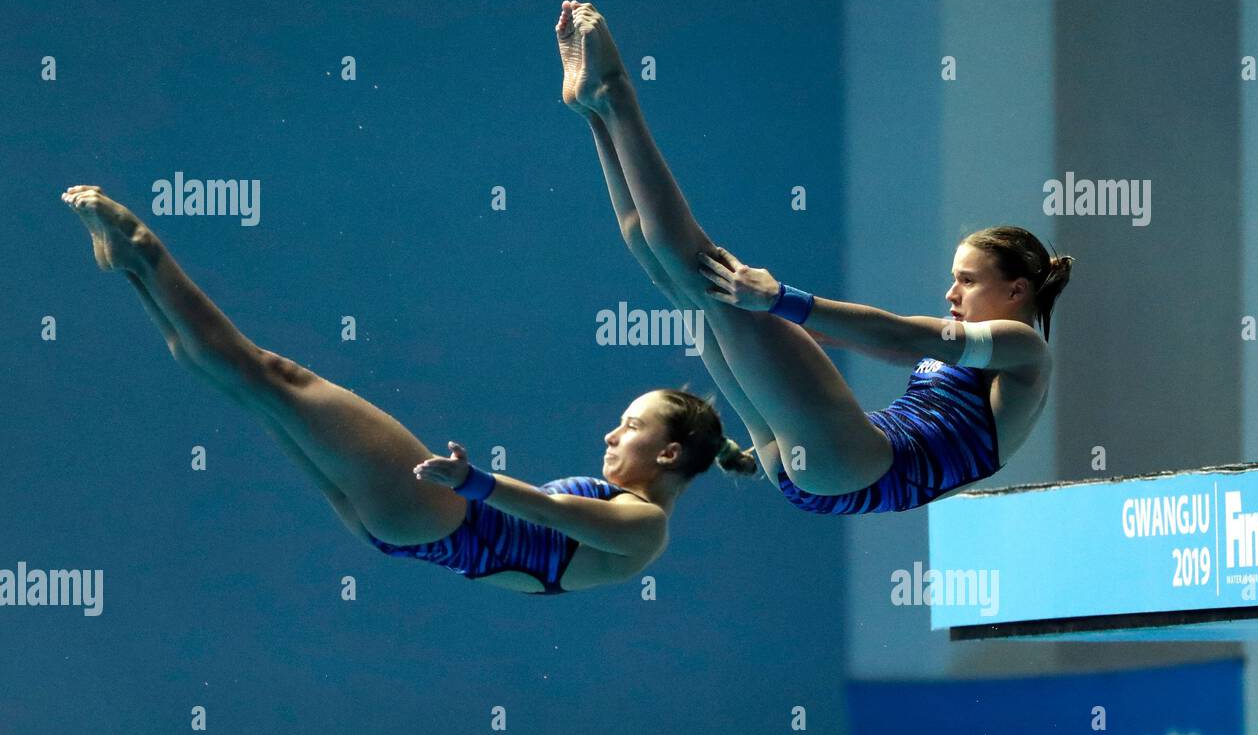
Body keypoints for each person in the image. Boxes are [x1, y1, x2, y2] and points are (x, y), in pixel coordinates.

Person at [62, 185, 754, 594]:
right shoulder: (638, 525)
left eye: (631, 426)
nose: (611, 433)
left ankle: (149, 253)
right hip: (414, 530)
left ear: (669, 455)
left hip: (446, 518)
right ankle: (134, 271)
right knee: (255, 391)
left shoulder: (646, 527)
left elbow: (548, 512)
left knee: (279, 378)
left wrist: (472, 480)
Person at [555, 0, 1073, 513]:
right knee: (679, 281)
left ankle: (616, 94)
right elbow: (888, 343)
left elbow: (901, 333)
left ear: (1016, 290)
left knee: (702, 273)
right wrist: (787, 323)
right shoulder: (982, 355)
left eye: (967, 280)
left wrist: (783, 300)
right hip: (826, 468)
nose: (951, 293)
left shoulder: (1024, 350)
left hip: (862, 463)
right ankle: (596, 112)